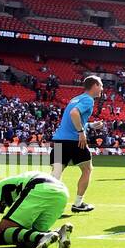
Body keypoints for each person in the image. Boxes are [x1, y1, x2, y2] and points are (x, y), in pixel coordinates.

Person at [0, 172, 73, 248]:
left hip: (38, 187)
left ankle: (43, 236)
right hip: (62, 192)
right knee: (29, 237)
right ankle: (60, 233)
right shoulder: (13, 188)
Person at [49, 74, 102, 214]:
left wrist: (89, 125)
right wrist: (81, 131)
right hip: (74, 141)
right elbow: (74, 114)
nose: (102, 89)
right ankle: (78, 203)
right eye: (101, 85)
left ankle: (49, 204)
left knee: (56, 174)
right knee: (87, 169)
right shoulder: (88, 100)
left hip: (59, 140)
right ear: (95, 85)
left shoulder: (75, 98)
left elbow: (70, 118)